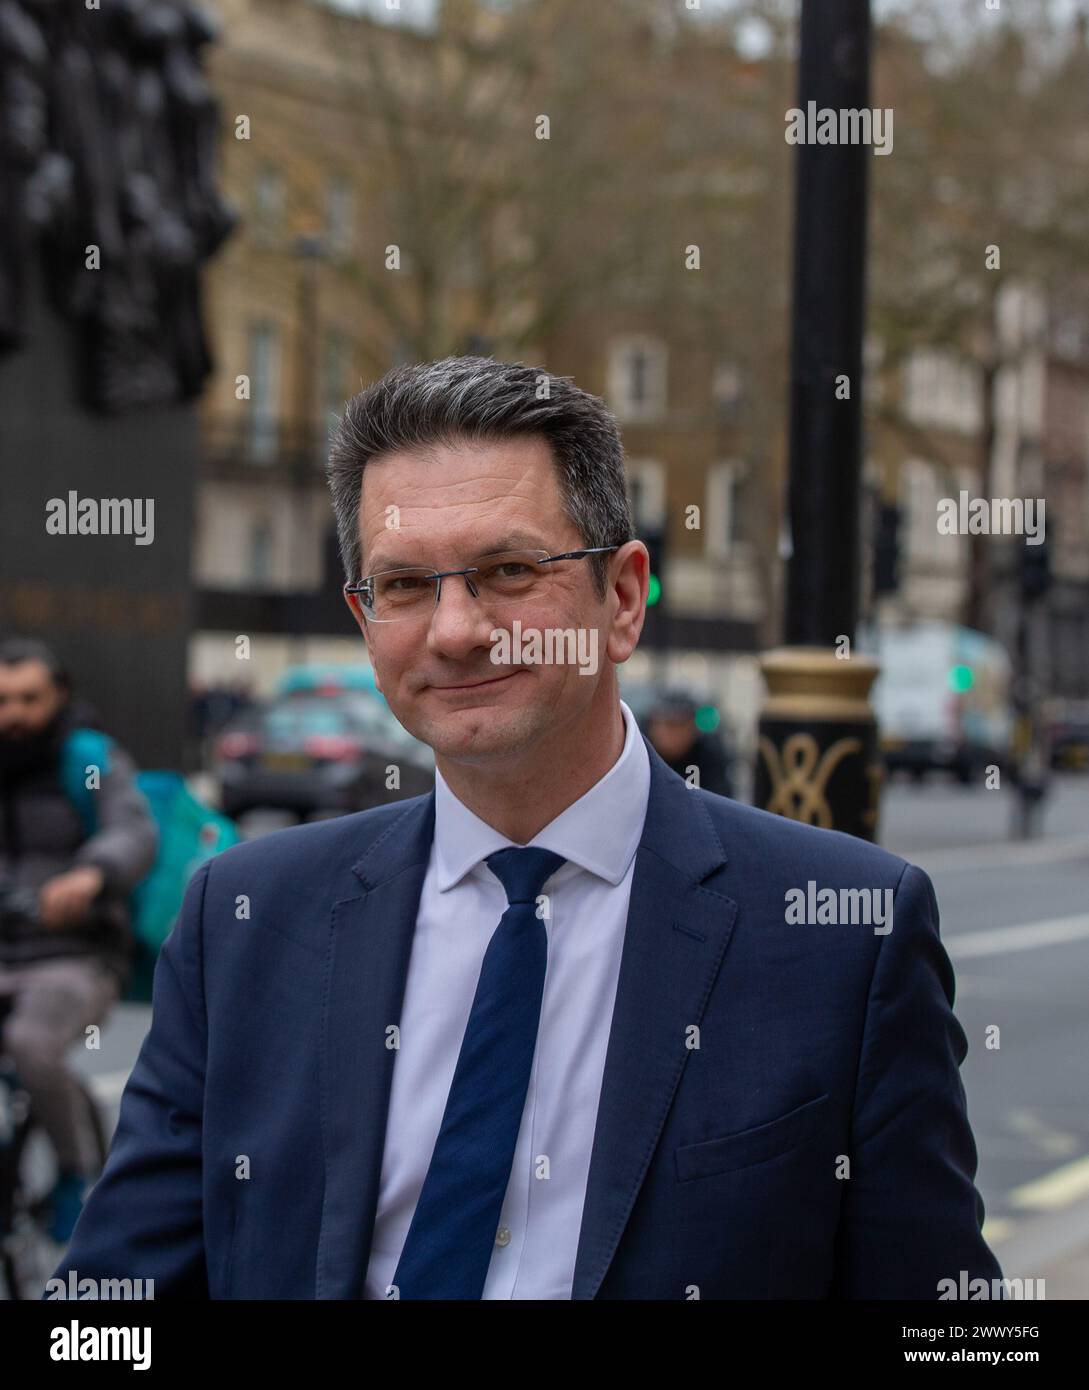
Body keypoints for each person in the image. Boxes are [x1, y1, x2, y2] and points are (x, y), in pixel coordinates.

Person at [53, 358, 1001, 1298]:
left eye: (508, 571)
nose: (456, 630)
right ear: (364, 619)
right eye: (406, 585)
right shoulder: (243, 918)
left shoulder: (844, 934)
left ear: (622, 599)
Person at [0, 638, 158, 1241]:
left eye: (30, 699)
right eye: (4, 700)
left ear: (58, 696)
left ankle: (73, 1171)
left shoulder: (87, 759)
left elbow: (133, 829)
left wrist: (93, 874)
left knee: (33, 1042)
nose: (15, 713)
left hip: (74, 953)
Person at [645, 688, 733, 798]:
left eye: (676, 725)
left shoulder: (707, 756)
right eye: (659, 724)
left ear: (692, 728)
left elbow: (718, 800)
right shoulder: (642, 753)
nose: (665, 733)